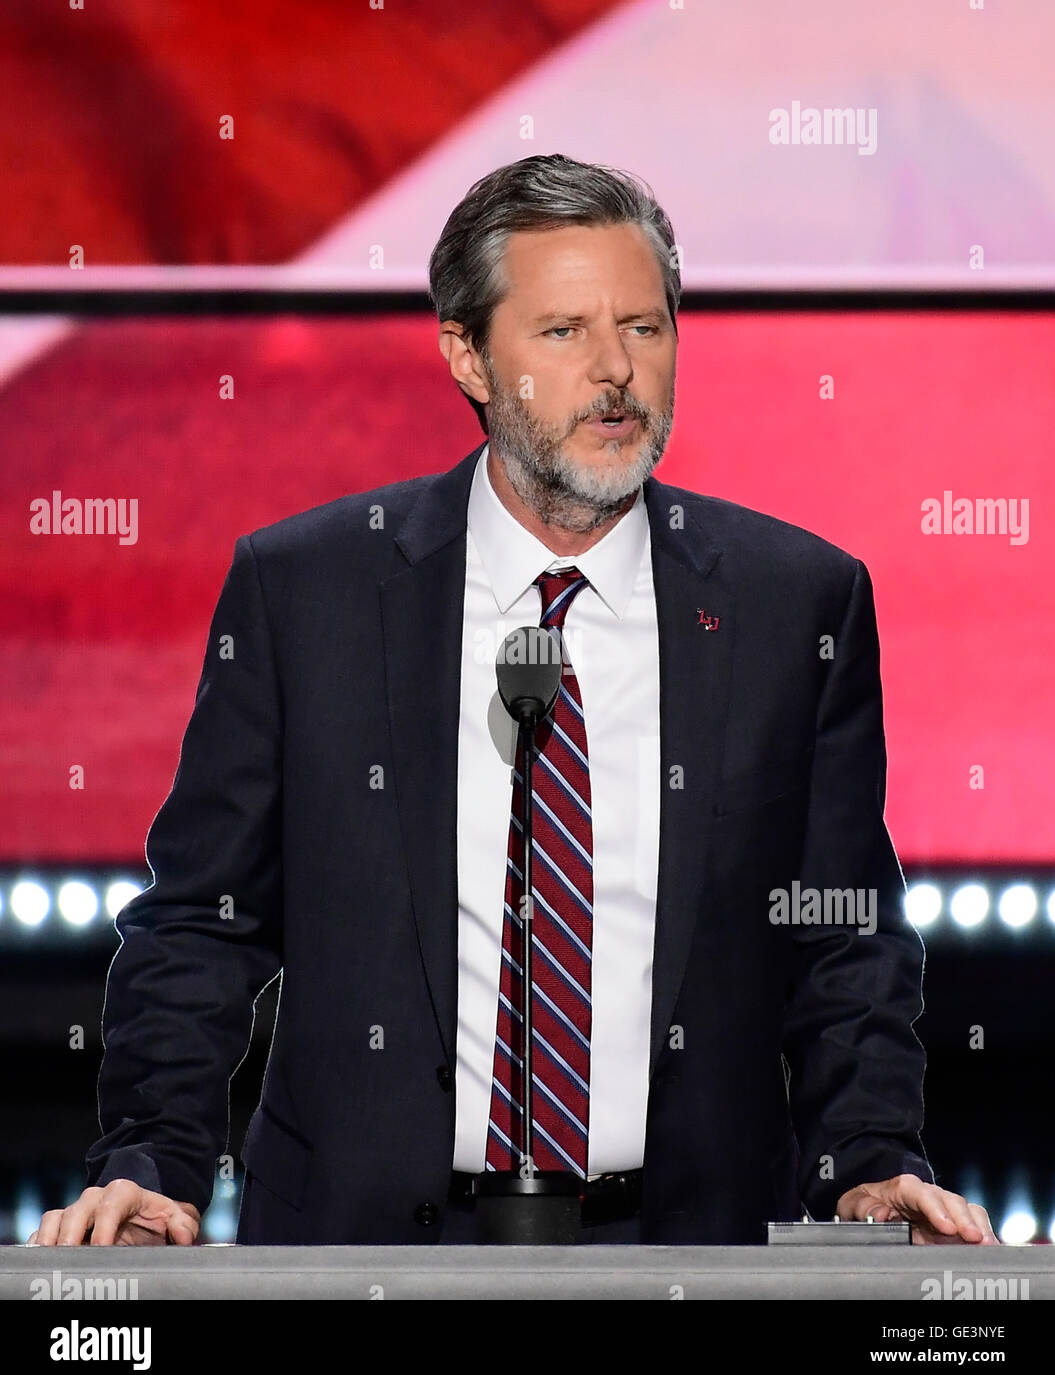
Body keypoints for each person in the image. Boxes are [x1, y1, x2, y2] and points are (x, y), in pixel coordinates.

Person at [31, 154, 996, 1249]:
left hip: (685, 1249)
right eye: (562, 333)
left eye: (643, 326)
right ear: (467, 355)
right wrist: (151, 1157)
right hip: (365, 1254)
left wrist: (867, 1165)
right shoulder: (307, 593)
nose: (615, 372)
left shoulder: (795, 604)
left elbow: (841, 940)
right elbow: (205, 924)